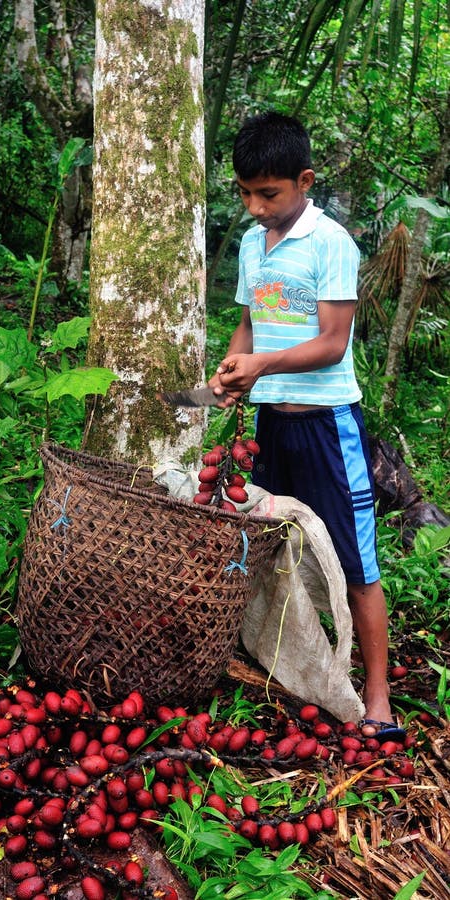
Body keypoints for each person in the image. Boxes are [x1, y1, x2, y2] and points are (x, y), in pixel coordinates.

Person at [209, 110, 404, 742]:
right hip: (270, 424)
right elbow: (249, 324)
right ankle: (277, 663)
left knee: (354, 561)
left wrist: (264, 362)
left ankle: (375, 696)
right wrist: (236, 369)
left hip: (326, 425)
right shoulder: (249, 245)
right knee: (266, 548)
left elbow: (330, 343)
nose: (255, 206)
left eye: (268, 193)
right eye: (245, 193)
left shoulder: (331, 244)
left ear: (304, 180)